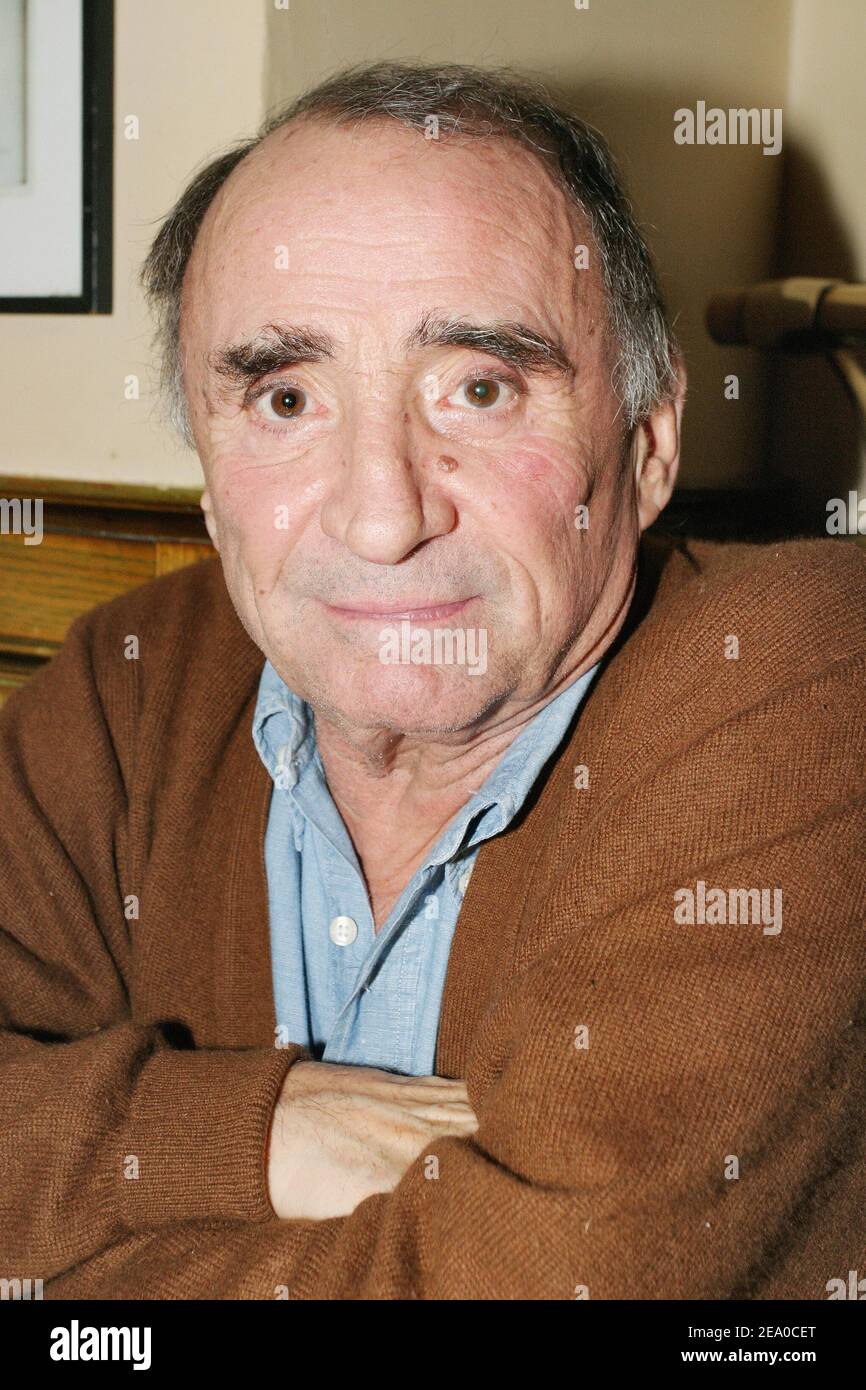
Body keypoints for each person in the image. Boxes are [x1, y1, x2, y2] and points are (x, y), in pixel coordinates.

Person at [1, 62, 863, 1300]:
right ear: (204, 469)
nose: (379, 513)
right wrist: (255, 1127)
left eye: (479, 386)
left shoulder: (806, 680)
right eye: (285, 397)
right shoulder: (124, 687)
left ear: (648, 437)